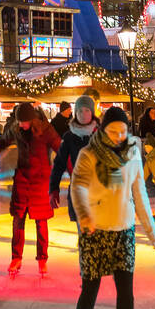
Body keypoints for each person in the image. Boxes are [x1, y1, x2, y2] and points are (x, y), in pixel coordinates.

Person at [67, 106, 155, 309]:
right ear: (101, 129)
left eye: (123, 131)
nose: (119, 136)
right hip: (95, 230)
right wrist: (84, 218)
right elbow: (77, 187)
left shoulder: (132, 151)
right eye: (113, 131)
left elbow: (139, 190)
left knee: (125, 289)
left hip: (123, 228)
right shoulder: (89, 154)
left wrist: (150, 228)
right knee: (91, 287)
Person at [0, 101, 62, 275]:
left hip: (41, 181)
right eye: (19, 121)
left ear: (32, 120)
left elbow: (61, 148)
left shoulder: (46, 130)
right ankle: (16, 258)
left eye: (23, 121)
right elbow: (3, 141)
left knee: (41, 222)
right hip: (22, 180)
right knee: (17, 220)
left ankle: (42, 259)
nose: (20, 124)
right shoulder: (17, 129)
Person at [49, 95, 98, 223]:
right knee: (83, 236)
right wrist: (54, 188)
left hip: (98, 193)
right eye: (80, 111)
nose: (83, 114)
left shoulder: (100, 136)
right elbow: (59, 164)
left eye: (87, 110)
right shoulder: (69, 137)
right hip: (78, 192)